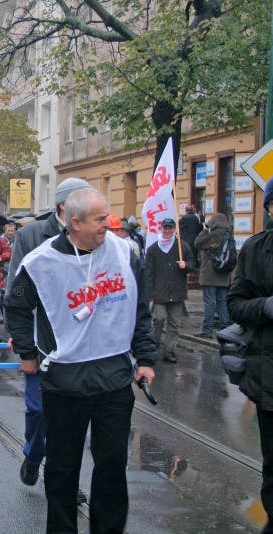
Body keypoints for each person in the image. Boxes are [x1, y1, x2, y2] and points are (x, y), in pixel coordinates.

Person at [6, 187, 156, 533]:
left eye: (107, 216)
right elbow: (15, 306)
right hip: (64, 381)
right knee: (62, 469)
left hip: (114, 378)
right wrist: (28, 353)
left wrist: (145, 358)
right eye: (100, 219)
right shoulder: (41, 262)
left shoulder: (126, 253)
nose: (108, 224)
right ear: (75, 222)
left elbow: (140, 310)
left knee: (112, 466)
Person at [4, 177, 91, 493]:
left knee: (72, 417)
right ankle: (33, 455)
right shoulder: (31, 235)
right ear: (63, 207)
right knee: (39, 410)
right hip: (42, 340)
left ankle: (65, 476)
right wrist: (21, 340)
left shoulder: (92, 235)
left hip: (79, 342)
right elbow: (16, 291)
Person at [227, 178, 273, 534]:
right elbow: (236, 305)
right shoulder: (256, 251)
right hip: (270, 375)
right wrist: (267, 307)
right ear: (270, 208)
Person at [145, 218, 195, 363]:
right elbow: (148, 273)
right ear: (161, 228)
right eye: (165, 228)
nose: (167, 231)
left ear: (174, 229)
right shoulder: (153, 249)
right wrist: (149, 293)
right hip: (159, 293)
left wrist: (186, 265)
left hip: (177, 292)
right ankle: (154, 345)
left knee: (174, 323)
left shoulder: (182, 247)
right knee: (158, 319)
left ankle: (169, 351)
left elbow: (192, 263)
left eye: (170, 228)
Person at [194, 213, 233, 338]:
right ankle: (225, 328)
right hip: (224, 274)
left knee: (209, 302)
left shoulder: (213, 235)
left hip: (210, 275)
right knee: (222, 302)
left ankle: (207, 330)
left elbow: (197, 243)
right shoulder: (228, 236)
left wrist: (204, 231)